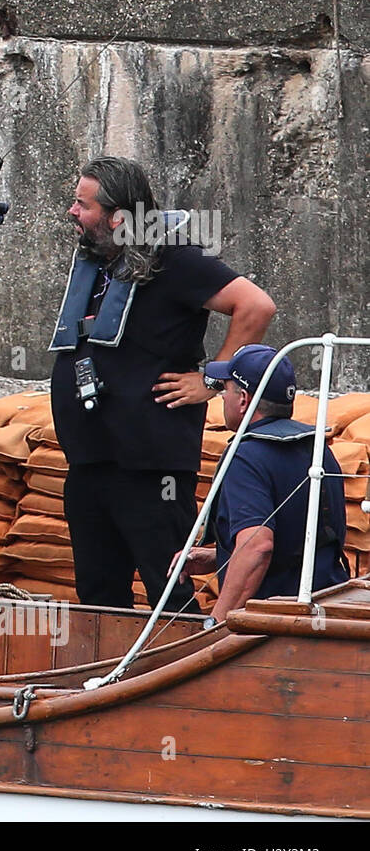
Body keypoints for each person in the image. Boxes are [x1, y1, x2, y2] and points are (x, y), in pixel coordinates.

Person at [50, 156, 275, 612]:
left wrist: (213, 379)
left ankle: (181, 680)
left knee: (167, 591)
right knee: (97, 595)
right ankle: (109, 682)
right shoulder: (96, 262)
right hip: (91, 460)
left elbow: (256, 305)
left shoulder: (176, 260)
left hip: (150, 466)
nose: (72, 212)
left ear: (118, 216)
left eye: (82, 204)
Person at [174, 344, 349, 624]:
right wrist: (218, 556)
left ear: (243, 399)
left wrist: (216, 625)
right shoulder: (316, 448)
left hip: (278, 621)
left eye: (225, 390)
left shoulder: (246, 456)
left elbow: (258, 548)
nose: (222, 399)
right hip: (329, 606)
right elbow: (300, 539)